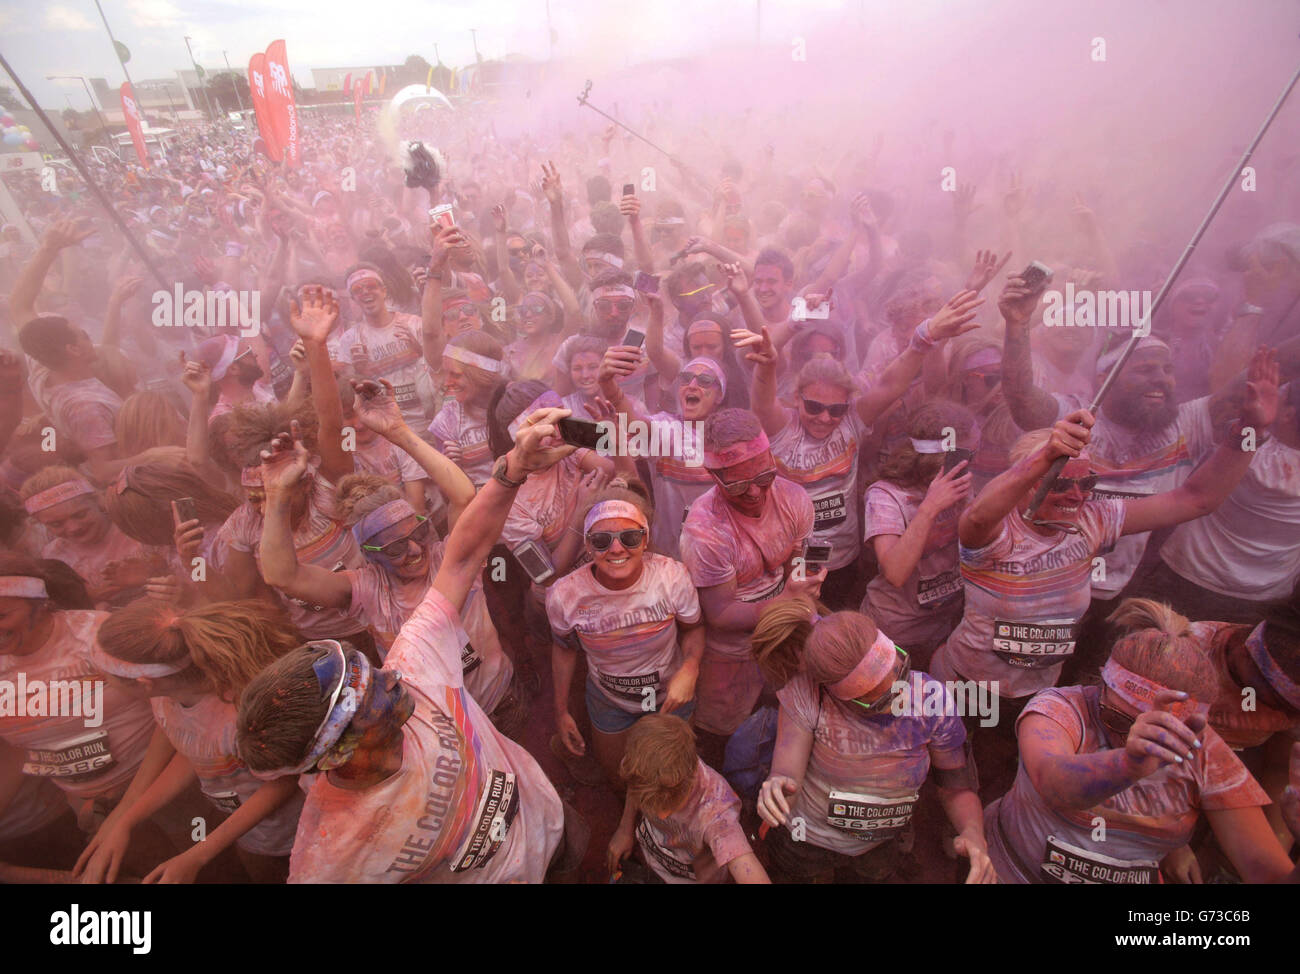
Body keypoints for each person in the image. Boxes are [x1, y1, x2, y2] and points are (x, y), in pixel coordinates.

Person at [236, 403, 584, 883]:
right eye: (369, 693)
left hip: (529, 780)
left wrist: (511, 467)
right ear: (334, 753)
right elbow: (282, 574)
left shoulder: (412, 668)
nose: (391, 679)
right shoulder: (332, 855)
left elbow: (463, 544)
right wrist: (276, 499)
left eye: (370, 670)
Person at [936, 347, 1278, 798]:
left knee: (1012, 768)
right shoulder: (993, 533)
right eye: (1060, 482)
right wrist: (1044, 456)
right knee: (954, 758)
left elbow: (1196, 499)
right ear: (1026, 480)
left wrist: (1250, 432)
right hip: (969, 682)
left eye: (1086, 482)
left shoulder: (1092, 519)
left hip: (1040, 688)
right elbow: (978, 515)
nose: (1076, 494)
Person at [985, 598, 1294, 884]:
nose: (1131, 738)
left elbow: (1269, 876)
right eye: (1118, 719)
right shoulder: (1062, 708)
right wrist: (1129, 764)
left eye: (1163, 730)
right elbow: (1051, 784)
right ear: (1100, 684)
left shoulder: (1203, 752)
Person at [745, 289, 984, 607]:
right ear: (798, 398)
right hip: (791, 557)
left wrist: (925, 337)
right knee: (799, 627)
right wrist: (766, 369)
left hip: (843, 557)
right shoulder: (782, 428)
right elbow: (762, 400)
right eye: (814, 407)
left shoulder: (852, 422)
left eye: (836, 409)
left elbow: (890, 383)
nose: (825, 418)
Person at [76, 599, 307, 884]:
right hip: (247, 836)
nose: (101, 678)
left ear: (145, 683)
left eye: (107, 675)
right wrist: (124, 820)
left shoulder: (239, 716)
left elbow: (283, 783)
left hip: (291, 839)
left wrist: (198, 855)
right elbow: (191, 749)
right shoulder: (166, 696)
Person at [756, 611, 995, 883]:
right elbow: (787, 770)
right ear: (835, 694)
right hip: (806, 839)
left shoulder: (932, 700)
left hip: (879, 844)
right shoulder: (808, 696)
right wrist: (776, 787)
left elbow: (955, 784)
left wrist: (973, 832)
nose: (900, 693)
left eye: (899, 671)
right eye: (875, 696)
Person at [679, 408, 818, 764]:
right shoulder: (706, 531)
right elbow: (721, 613)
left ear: (772, 458)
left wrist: (804, 582)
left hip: (783, 634)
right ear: (712, 475)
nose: (755, 492)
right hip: (730, 653)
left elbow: (797, 561)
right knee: (722, 730)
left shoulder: (794, 498)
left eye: (764, 475)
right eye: (738, 484)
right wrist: (786, 603)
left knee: (789, 716)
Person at [547, 488, 704, 783]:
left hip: (669, 698)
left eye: (630, 538)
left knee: (675, 776)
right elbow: (564, 649)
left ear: (645, 539)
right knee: (619, 777)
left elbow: (694, 629)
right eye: (601, 540)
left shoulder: (672, 577)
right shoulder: (565, 595)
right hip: (610, 702)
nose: (616, 549)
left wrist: (690, 668)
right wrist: (561, 711)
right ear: (587, 546)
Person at [862, 402, 978, 664]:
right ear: (950, 457)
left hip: (944, 625)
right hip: (895, 633)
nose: (974, 462)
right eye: (971, 454)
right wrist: (930, 507)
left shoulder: (961, 483)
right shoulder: (885, 495)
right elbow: (895, 572)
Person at [607, 714, 769, 883]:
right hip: (649, 864)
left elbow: (746, 866)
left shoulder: (716, 812)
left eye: (665, 805)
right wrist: (624, 829)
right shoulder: (643, 763)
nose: (660, 815)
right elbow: (635, 786)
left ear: (687, 780)